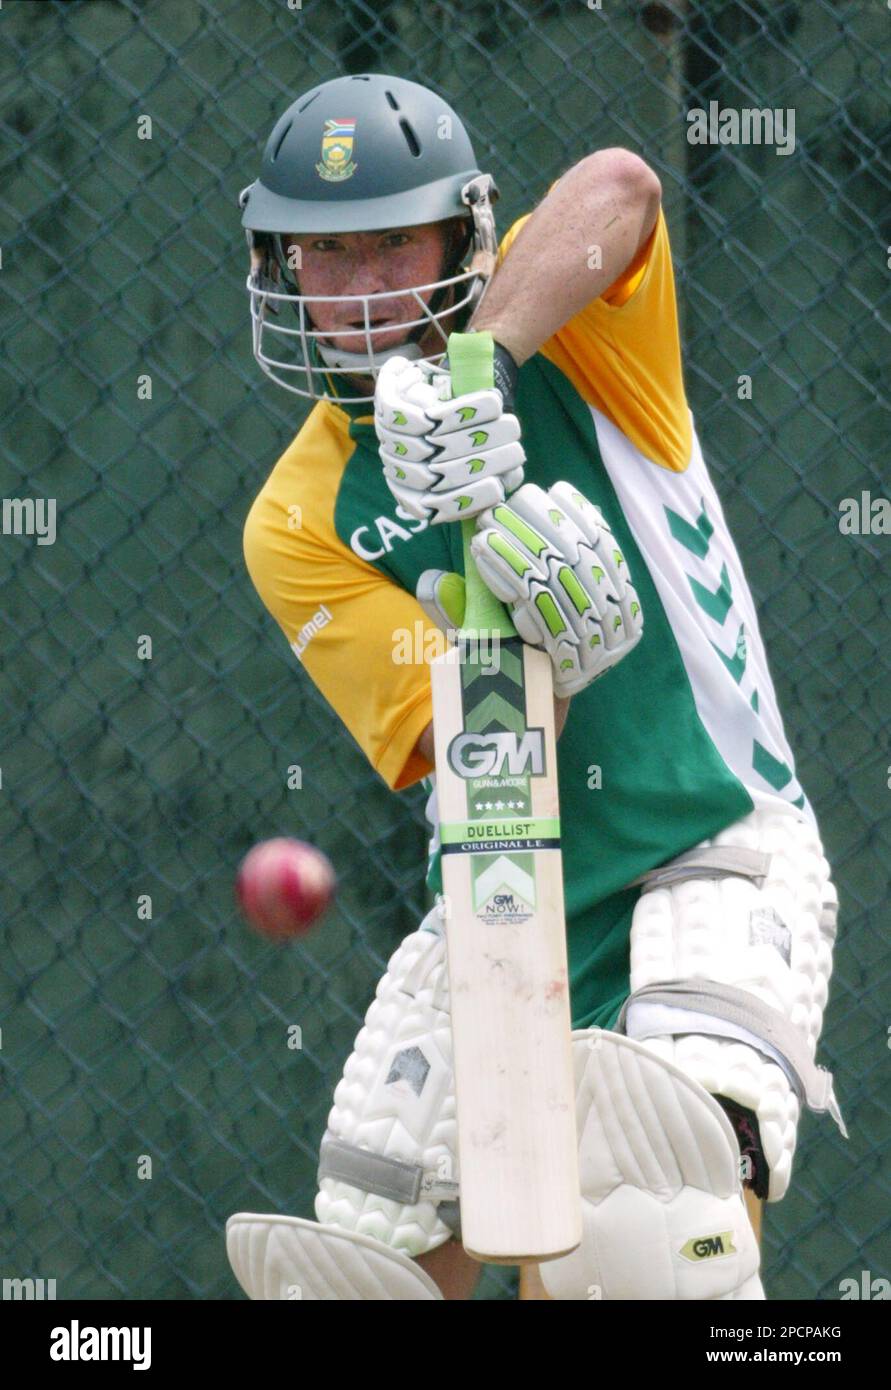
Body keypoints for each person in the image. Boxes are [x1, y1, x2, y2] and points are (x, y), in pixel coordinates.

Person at [225, 73, 845, 1301]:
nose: (358, 295)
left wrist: (483, 366)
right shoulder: (296, 519)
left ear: (467, 233)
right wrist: (549, 659)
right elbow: (475, 763)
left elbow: (622, 184)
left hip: (705, 852)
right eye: (322, 257)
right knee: (363, 1274)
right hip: (505, 896)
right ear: (279, 266)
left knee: (651, 1245)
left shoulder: (575, 324)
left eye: (393, 242)